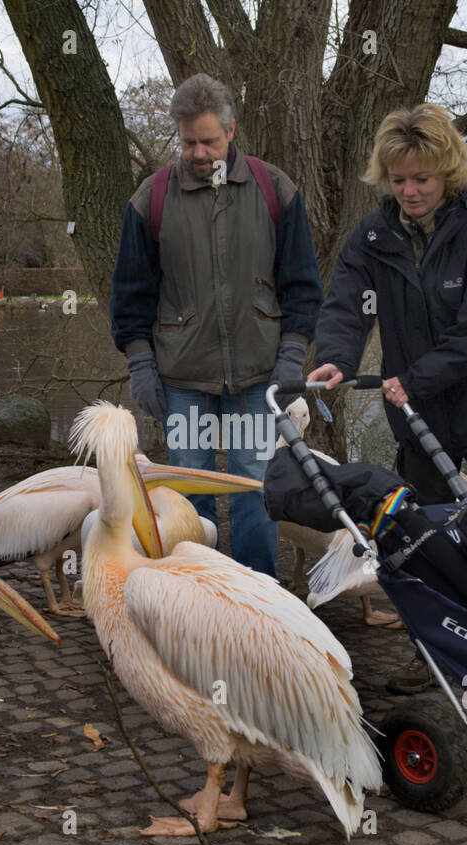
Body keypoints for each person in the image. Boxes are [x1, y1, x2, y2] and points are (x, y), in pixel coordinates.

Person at [308, 103, 467, 693]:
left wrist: (422, 374)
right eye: (398, 179)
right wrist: (337, 356)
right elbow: (346, 301)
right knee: (421, 542)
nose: (409, 191)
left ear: (448, 173)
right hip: (416, 415)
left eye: (422, 179)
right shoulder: (373, 236)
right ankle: (434, 655)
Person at [109, 74, 322, 576]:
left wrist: (290, 360)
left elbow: (303, 287)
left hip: (258, 372)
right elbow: (130, 294)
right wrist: (141, 364)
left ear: (231, 130)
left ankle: (255, 594)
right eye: (188, 142)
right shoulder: (151, 198)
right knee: (190, 487)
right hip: (182, 375)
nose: (199, 153)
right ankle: (196, 591)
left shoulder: (275, 190)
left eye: (209, 140)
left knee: (253, 483)